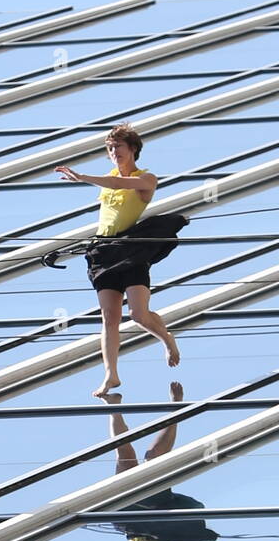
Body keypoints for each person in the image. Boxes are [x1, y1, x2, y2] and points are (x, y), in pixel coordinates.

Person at [52, 124, 186, 397]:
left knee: (138, 314)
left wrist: (84, 177)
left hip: (131, 252)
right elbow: (111, 188)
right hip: (103, 251)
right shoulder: (109, 177)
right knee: (109, 318)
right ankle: (111, 375)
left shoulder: (147, 179)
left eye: (118, 147)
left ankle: (166, 338)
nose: (113, 152)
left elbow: (117, 183)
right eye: (110, 148)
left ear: (133, 149)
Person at [96, 383, 213, 541]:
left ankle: (114, 405)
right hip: (154, 512)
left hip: (133, 521)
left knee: (124, 455)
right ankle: (176, 406)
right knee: (154, 457)